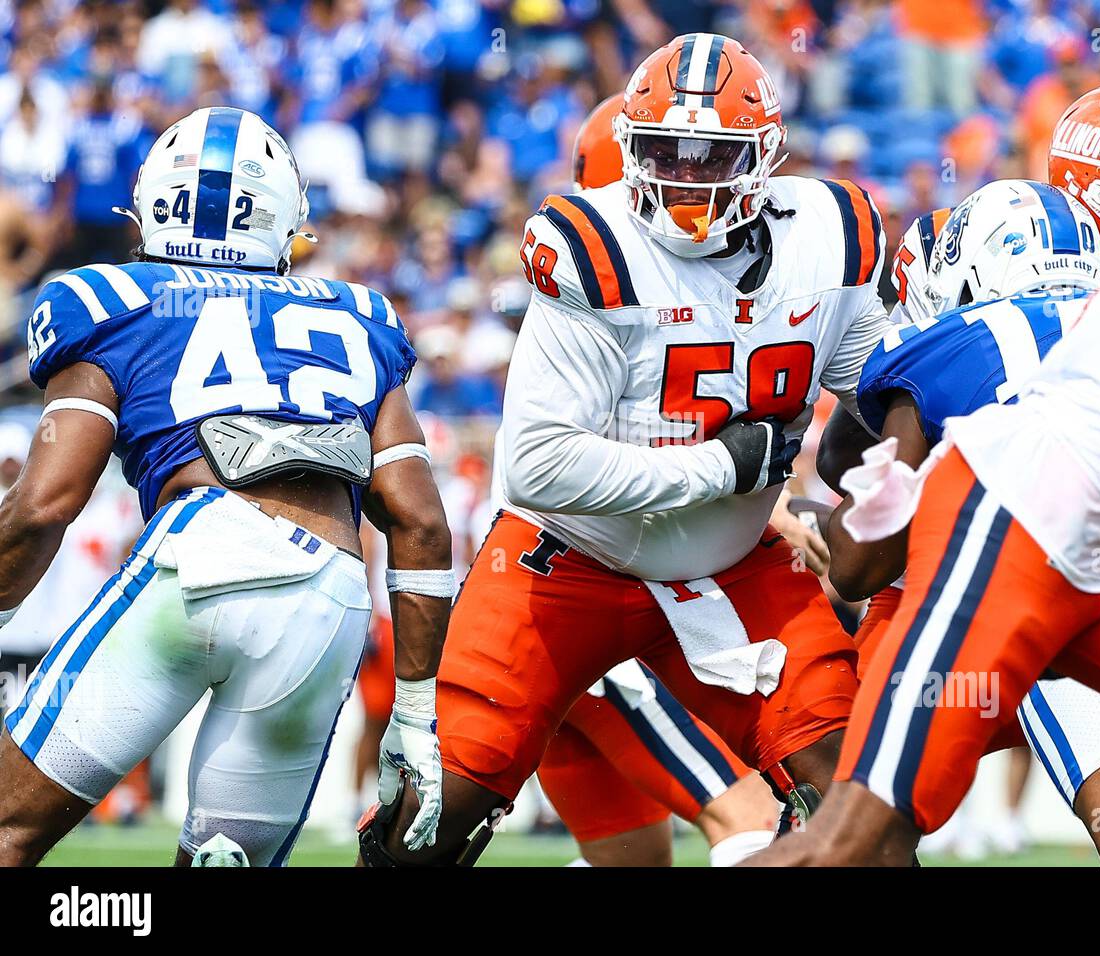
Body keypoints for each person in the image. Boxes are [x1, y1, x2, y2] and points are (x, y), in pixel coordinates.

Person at [360, 33, 890, 866]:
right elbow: (539, 465)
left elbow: (874, 394)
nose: (683, 177)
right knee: (431, 815)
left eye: (709, 157)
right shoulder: (592, 246)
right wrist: (723, 467)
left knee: (856, 802)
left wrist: (867, 491)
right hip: (568, 560)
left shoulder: (833, 236)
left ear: (764, 156)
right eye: (663, 155)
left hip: (737, 561)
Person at [751, 146, 1100, 866]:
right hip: (1006, 543)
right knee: (855, 836)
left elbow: (856, 565)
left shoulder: (990, 332)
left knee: (861, 836)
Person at [0, 107, 452, 867]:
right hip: (329, 598)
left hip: (201, 554)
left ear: (153, 203)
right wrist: (414, 710)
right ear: (284, 218)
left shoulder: (111, 297)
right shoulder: (359, 313)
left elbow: (43, 504)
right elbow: (422, 525)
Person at [532, 94, 781, 867]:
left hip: (544, 622)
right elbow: (641, 482)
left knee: (634, 865)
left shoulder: (577, 288)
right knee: (756, 822)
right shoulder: (627, 295)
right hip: (612, 623)